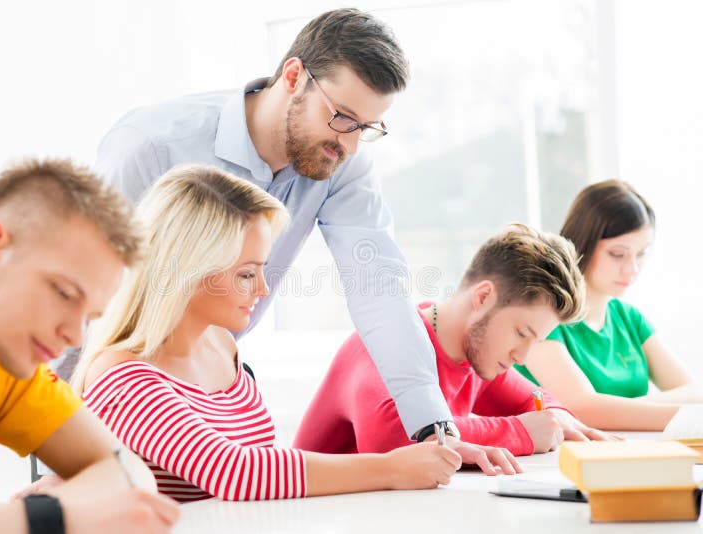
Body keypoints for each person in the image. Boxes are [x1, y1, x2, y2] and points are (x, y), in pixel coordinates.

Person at [90, 6, 507, 472]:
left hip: (216, 382)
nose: (349, 145)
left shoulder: (341, 162)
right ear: (293, 76)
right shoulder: (150, 146)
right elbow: (88, 295)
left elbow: (379, 288)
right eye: (344, 117)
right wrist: (64, 455)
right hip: (121, 399)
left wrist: (436, 431)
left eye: (367, 128)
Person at [71, 164, 462, 502]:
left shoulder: (220, 345)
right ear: (187, 273)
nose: (262, 289)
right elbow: (233, 472)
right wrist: (389, 470)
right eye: (246, 274)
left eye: (261, 269)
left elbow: (265, 471)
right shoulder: (121, 377)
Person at [0, 159, 180, 533]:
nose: (75, 337)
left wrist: (61, 506)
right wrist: (49, 517)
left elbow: (125, 472)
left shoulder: (6, 367)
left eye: (89, 317)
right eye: (65, 294)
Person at [294, 224, 613, 465]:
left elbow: (537, 401)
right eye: (520, 332)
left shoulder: (477, 355)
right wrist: (519, 432)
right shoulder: (389, 336)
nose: (522, 356)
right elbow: (394, 438)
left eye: (536, 341)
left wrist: (554, 417)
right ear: (484, 297)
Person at [515, 180, 702, 430]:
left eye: (641, 253)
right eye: (617, 254)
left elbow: (693, 391)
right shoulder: (546, 317)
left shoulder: (628, 317)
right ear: (583, 244)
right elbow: (582, 409)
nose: (632, 269)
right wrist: (636, 410)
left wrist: (626, 408)